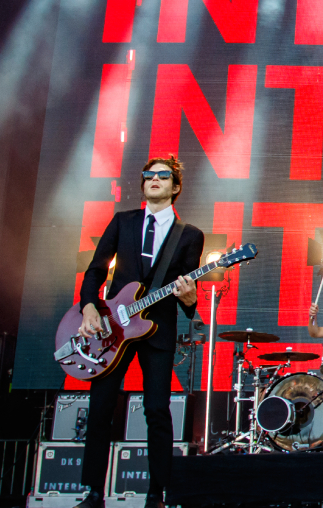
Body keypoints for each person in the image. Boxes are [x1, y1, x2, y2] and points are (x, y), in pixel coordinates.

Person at [75, 156, 204, 508]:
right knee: (101, 408)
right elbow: (95, 270)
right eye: (149, 175)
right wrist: (89, 306)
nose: (155, 180)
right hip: (113, 328)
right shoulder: (123, 221)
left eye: (164, 176)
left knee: (157, 410)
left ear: (175, 187)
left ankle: (157, 492)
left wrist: (190, 296)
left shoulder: (189, 235)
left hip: (157, 328)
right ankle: (93, 492)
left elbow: (187, 296)